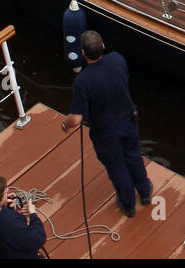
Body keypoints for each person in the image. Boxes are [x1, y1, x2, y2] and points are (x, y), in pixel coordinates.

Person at [60, 31, 153, 218]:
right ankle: (144, 193)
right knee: (134, 156)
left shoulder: (83, 81)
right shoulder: (117, 59)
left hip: (106, 132)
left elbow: (76, 119)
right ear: (102, 46)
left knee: (116, 166)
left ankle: (128, 205)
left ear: (83, 53)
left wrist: (64, 124)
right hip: (128, 121)